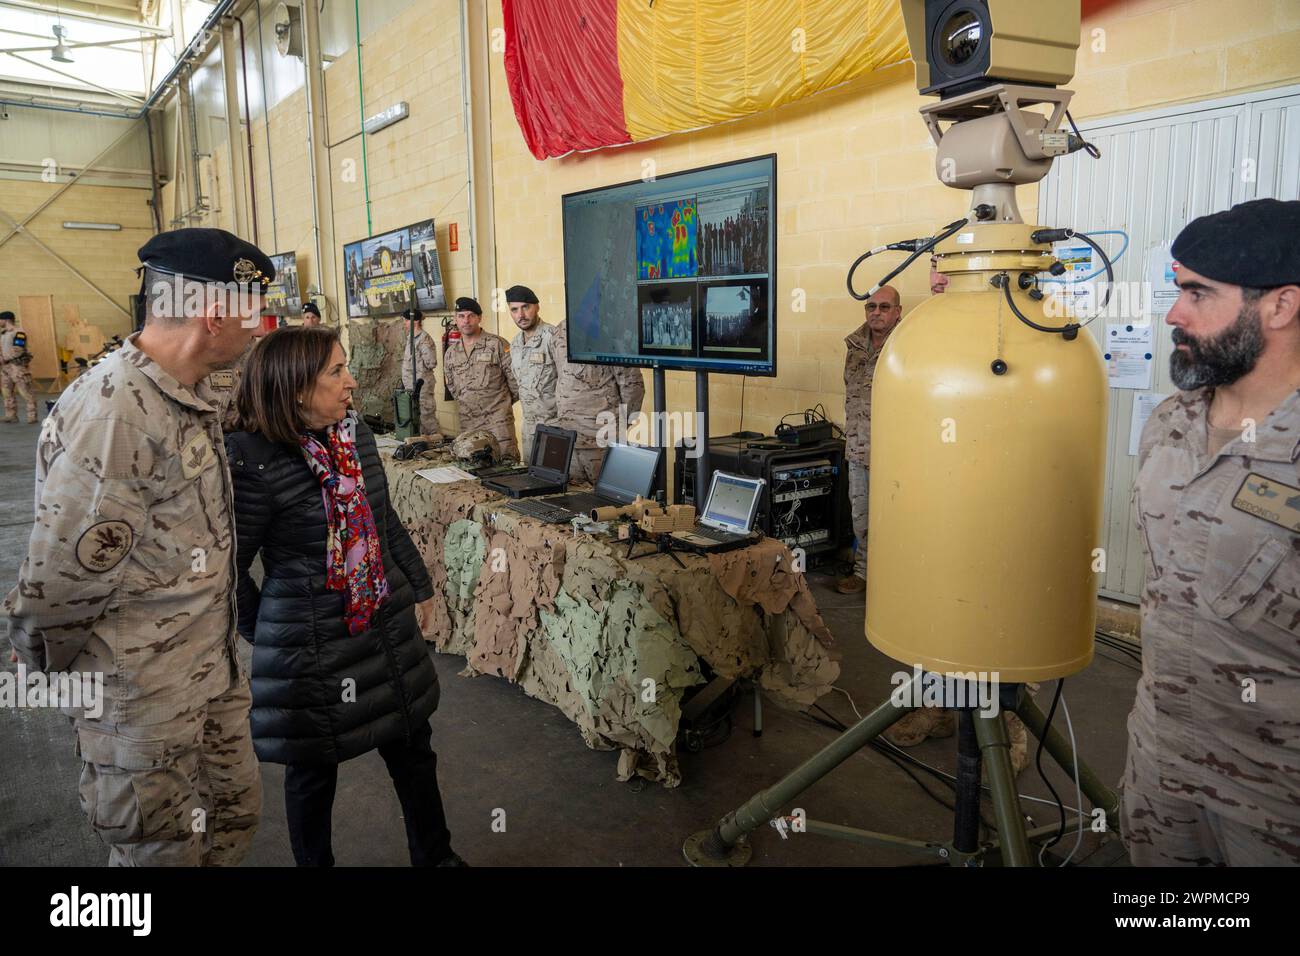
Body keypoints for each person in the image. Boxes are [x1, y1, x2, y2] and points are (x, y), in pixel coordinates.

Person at [4, 227, 272, 865]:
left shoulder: (190, 392)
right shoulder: (117, 414)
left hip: (209, 675)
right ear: (214, 316)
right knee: (160, 853)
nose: (262, 326)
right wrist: (59, 677)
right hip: (140, 700)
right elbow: (57, 587)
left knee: (230, 827)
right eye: (255, 310)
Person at [227, 326, 463, 867]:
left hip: (382, 620)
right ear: (294, 388)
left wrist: (418, 587)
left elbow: (383, 521)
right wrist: (267, 629)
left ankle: (438, 859)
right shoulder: (251, 459)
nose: (351, 382)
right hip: (311, 646)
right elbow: (228, 567)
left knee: (413, 747)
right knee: (313, 769)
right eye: (336, 371)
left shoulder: (352, 433)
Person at [1124, 198, 1300, 866]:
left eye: (1198, 293)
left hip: (1276, 802)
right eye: (1178, 290)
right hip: (1160, 767)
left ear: (1279, 307)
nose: (1174, 314)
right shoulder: (1171, 420)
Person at [837, 285, 902, 596]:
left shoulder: (908, 345)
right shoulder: (854, 346)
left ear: (897, 312)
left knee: (893, 518)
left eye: (884, 307)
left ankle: (892, 581)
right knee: (860, 515)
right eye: (871, 306)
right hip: (858, 447)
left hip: (895, 452)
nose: (876, 312)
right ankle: (863, 574)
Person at [551, 286, 645, 483]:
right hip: (569, 437)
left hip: (601, 439)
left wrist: (621, 424)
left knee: (605, 503)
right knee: (571, 500)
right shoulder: (560, 331)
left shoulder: (613, 334)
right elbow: (558, 376)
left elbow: (632, 386)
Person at [442, 296, 520, 460]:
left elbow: (516, 382)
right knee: (473, 471)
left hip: (498, 423)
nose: (466, 321)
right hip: (468, 424)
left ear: (479, 318)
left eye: (471, 315)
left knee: (506, 467)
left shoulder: (497, 344)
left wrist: (499, 405)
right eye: (461, 316)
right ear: (456, 319)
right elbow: (452, 385)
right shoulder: (451, 353)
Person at [506, 285, 563, 461]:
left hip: (554, 427)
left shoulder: (553, 337)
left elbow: (568, 383)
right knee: (531, 479)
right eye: (514, 310)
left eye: (525, 307)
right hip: (528, 429)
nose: (520, 315)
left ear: (537, 306)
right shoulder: (515, 344)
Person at [400, 307, 439, 434]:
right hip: (411, 385)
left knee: (426, 415)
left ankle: (435, 442)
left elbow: (431, 362)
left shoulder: (424, 339)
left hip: (422, 385)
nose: (404, 323)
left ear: (414, 322)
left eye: (406, 321)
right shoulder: (411, 337)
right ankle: (422, 442)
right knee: (416, 416)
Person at [0, 310, 38, 423]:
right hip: (5, 368)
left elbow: (18, 350)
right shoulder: (3, 334)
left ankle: (32, 416)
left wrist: (4, 358)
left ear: (6, 320)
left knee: (26, 392)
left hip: (17, 367)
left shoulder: (19, 333)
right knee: (6, 392)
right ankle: (11, 415)